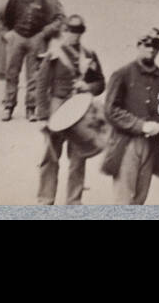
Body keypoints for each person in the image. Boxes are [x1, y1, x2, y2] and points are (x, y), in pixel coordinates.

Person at [36, 14, 106, 205]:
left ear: (82, 33)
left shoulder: (89, 55)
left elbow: (101, 83)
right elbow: (41, 86)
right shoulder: (54, 54)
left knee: (78, 159)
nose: (74, 35)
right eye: (70, 30)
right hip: (57, 109)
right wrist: (42, 116)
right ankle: (45, 200)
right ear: (64, 30)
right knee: (50, 157)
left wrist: (89, 87)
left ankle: (73, 203)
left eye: (78, 31)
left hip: (80, 112)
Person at [101, 28, 159, 204]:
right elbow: (111, 109)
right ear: (138, 46)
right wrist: (140, 125)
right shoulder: (123, 75)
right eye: (147, 45)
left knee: (140, 198)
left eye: (155, 46)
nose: (151, 50)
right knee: (124, 199)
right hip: (127, 143)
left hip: (152, 145)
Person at [0, 0, 65, 121]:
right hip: (16, 37)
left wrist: (45, 33)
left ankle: (31, 108)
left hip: (37, 38)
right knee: (11, 73)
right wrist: (6, 34)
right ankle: (8, 106)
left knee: (34, 76)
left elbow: (60, 17)